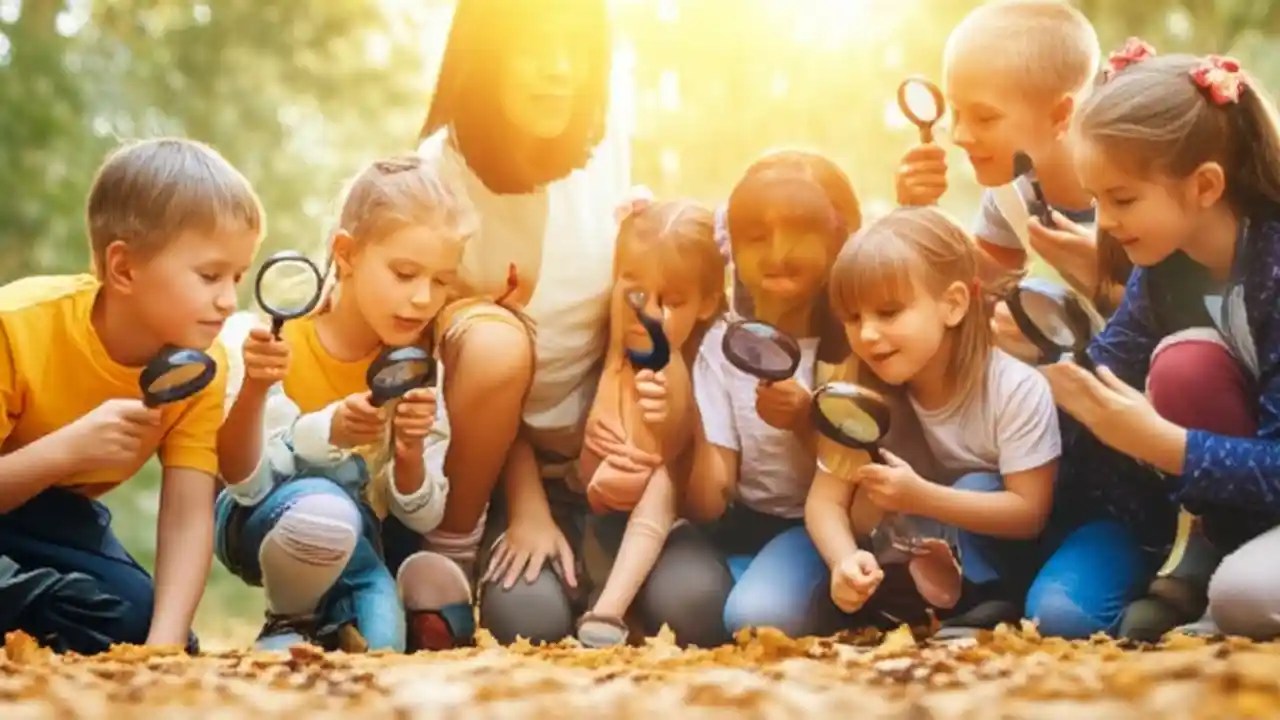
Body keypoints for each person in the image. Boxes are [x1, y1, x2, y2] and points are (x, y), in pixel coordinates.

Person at [412, 0, 728, 647]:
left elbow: (686, 272)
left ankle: (611, 590)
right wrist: (524, 502)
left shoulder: (603, 146)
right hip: (501, 464)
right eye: (533, 49)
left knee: (694, 608)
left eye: (574, 50)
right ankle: (455, 557)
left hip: (613, 456)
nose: (558, 70)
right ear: (487, 56)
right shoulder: (437, 176)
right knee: (528, 620)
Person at [1017, 50, 1280, 641]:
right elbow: (1106, 371)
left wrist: (1163, 444)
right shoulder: (1166, 267)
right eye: (1097, 199)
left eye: (1123, 199)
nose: (1103, 221)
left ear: (1205, 185)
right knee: (1186, 365)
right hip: (1244, 504)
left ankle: (1224, 572)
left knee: (1246, 598)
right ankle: (1213, 552)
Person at [0, 138, 262, 654]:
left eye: (237, 277)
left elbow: (188, 513)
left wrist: (161, 647)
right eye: (209, 276)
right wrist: (69, 449)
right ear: (123, 268)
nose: (229, 300)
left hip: (56, 521)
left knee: (142, 620)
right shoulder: (16, 325)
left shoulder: (204, 367)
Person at [214, 155, 473, 652]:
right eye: (404, 273)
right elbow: (248, 484)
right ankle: (289, 618)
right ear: (346, 254)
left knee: (382, 648)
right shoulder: (270, 344)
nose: (423, 299)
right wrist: (327, 430)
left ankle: (340, 619)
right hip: (261, 523)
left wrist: (411, 452)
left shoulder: (415, 372)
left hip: (358, 546)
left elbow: (422, 516)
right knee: (326, 513)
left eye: (441, 281)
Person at [804, 207, 1060, 634]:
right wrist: (843, 560)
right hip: (902, 552)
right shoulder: (857, 385)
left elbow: (1029, 512)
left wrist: (920, 497)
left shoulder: (1014, 387)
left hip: (1000, 556)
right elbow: (825, 500)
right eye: (853, 318)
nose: (867, 335)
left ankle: (982, 603)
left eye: (888, 313)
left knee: (977, 484)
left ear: (954, 304)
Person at [680, 150, 868, 639]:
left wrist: (806, 420)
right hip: (740, 526)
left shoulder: (858, 341)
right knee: (684, 608)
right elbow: (712, 494)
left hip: (819, 529)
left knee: (757, 618)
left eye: (801, 233)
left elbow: (862, 482)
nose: (778, 252)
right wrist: (683, 420)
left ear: (837, 240)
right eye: (757, 238)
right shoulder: (721, 345)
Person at [573, 198, 725, 647]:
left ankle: (609, 610)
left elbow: (684, 466)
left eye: (670, 302)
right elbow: (592, 478)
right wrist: (601, 482)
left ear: (705, 303)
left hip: (682, 519)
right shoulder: (615, 352)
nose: (649, 315)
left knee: (661, 481)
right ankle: (608, 605)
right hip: (604, 521)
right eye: (637, 296)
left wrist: (674, 420)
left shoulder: (699, 361)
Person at [894, 0, 1104, 301]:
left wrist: (1108, 276)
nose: (958, 136)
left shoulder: (1135, 181)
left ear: (1059, 115)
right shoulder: (1010, 191)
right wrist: (925, 214)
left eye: (985, 117)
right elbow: (994, 288)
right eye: (956, 113)